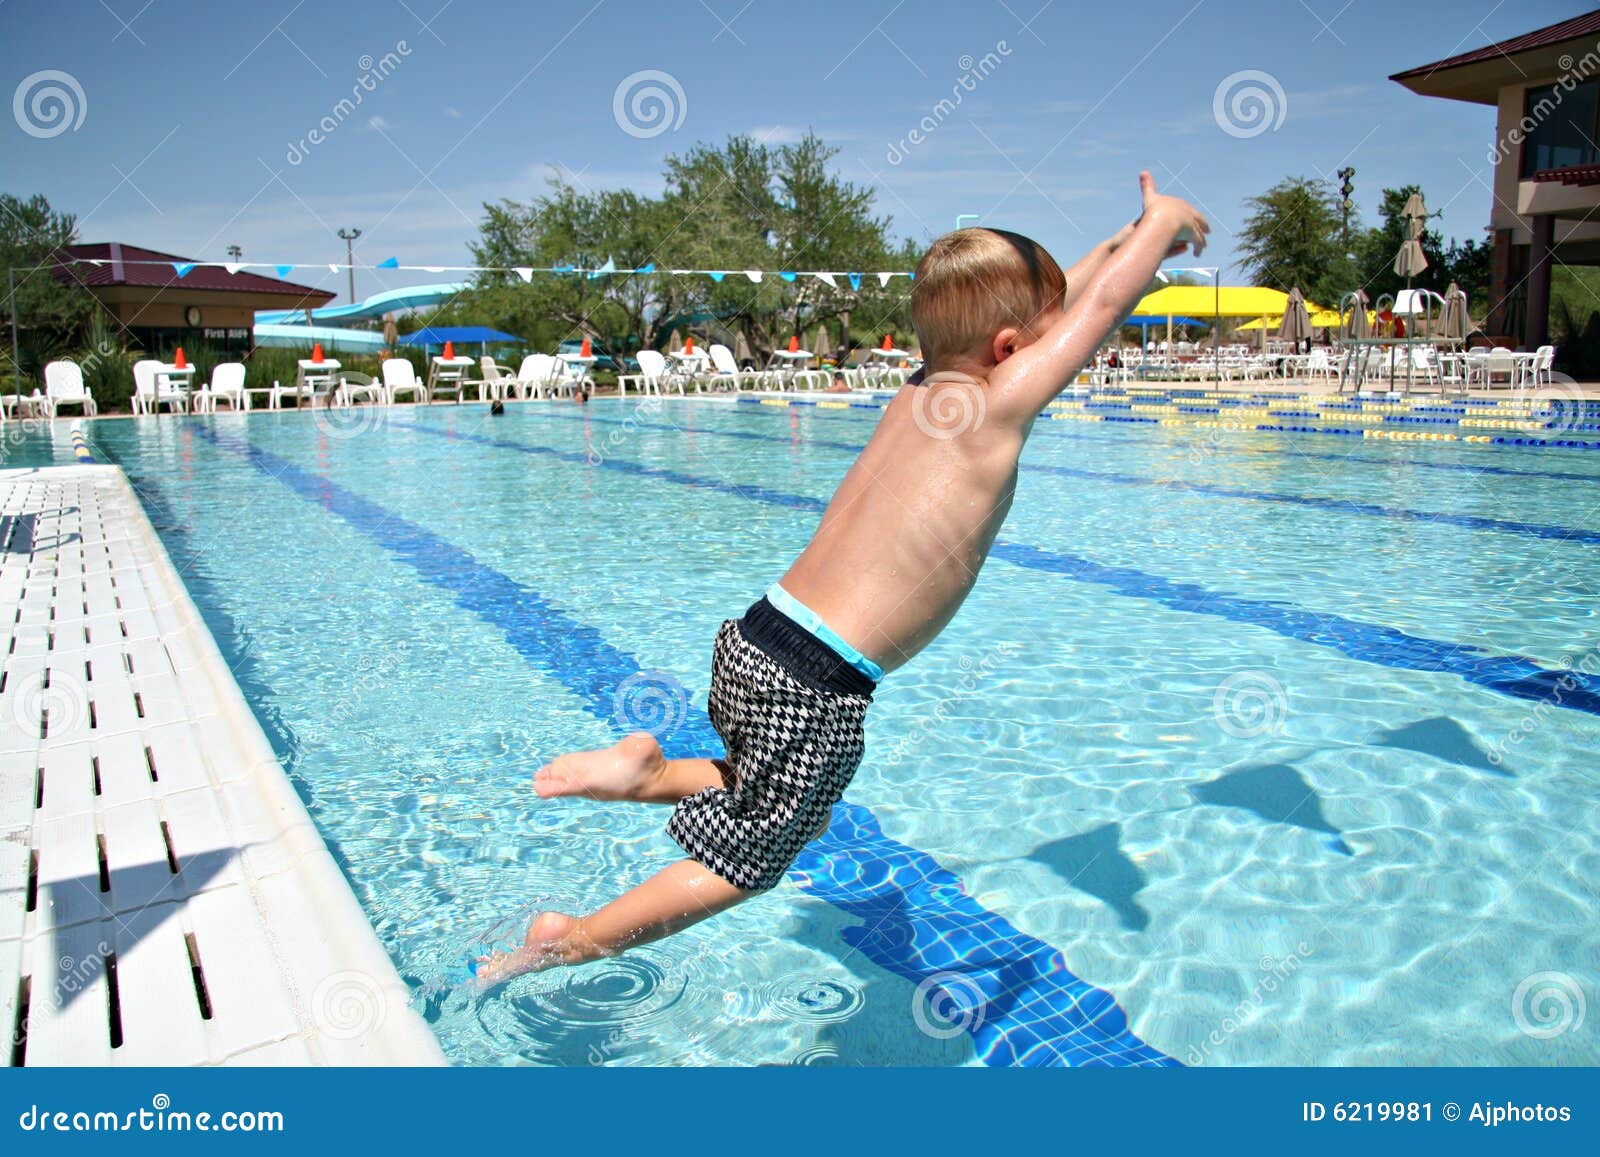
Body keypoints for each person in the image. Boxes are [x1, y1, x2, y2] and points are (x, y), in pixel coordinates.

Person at [475, 172, 1209, 985]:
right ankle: (570, 938)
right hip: (816, 683)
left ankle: (645, 774)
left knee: (787, 799)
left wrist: (1130, 233)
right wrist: (1163, 224)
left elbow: (1073, 296)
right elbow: (1100, 308)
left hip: (755, 637)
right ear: (1010, 351)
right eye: (1041, 336)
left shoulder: (918, 390)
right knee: (751, 861)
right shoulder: (996, 409)